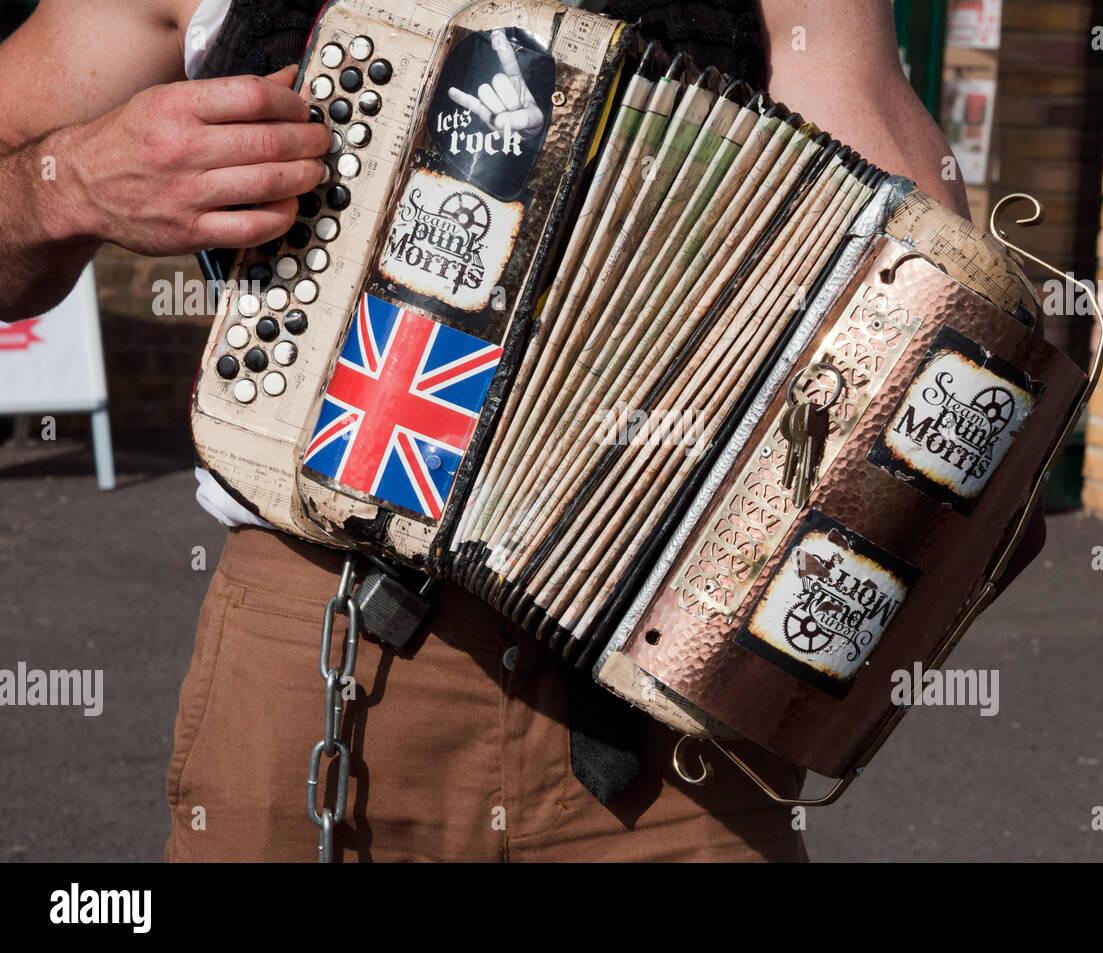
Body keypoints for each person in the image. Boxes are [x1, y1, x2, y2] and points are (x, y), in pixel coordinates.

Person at [0, 0, 1042, 861]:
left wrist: (981, 343)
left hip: (671, 684)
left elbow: (927, 286)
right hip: (319, 646)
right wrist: (69, 183)